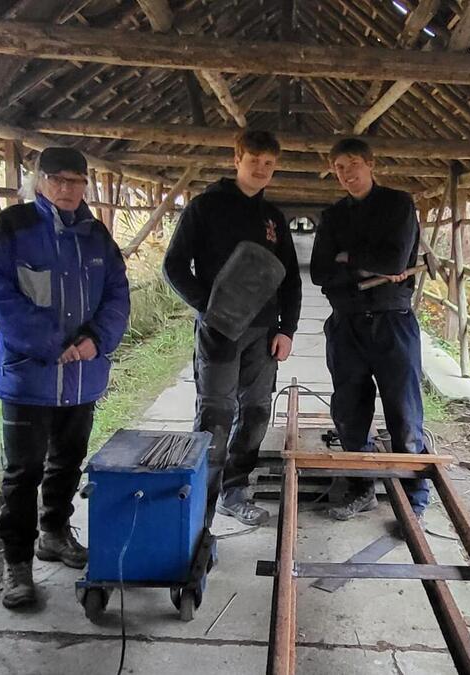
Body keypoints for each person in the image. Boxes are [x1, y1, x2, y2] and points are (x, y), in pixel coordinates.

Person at [0, 147, 131, 609]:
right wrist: (48, 342)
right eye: (58, 180)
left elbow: (118, 294)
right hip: (30, 377)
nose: (68, 190)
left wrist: (96, 340)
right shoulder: (12, 228)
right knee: (22, 473)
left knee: (67, 461)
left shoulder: (96, 235)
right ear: (39, 181)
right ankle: (17, 563)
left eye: (77, 182)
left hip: (82, 376)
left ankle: (55, 533)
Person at [164, 129, 302, 527]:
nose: (261, 169)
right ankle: (199, 501)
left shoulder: (273, 218)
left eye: (269, 163)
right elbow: (174, 267)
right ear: (236, 160)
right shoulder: (204, 208)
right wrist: (210, 308)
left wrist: (287, 329)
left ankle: (234, 489)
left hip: (263, 333)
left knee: (257, 413)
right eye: (253, 160)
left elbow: (290, 278)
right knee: (215, 415)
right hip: (220, 333)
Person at [310, 137, 429, 522]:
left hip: (392, 321)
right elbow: (319, 272)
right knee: (349, 409)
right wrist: (367, 266)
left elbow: (395, 258)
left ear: (370, 164)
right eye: (339, 168)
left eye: (353, 164)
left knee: (403, 409)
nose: (347, 174)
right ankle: (360, 487)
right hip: (346, 324)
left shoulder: (398, 204)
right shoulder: (332, 216)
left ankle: (414, 492)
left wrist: (347, 259)